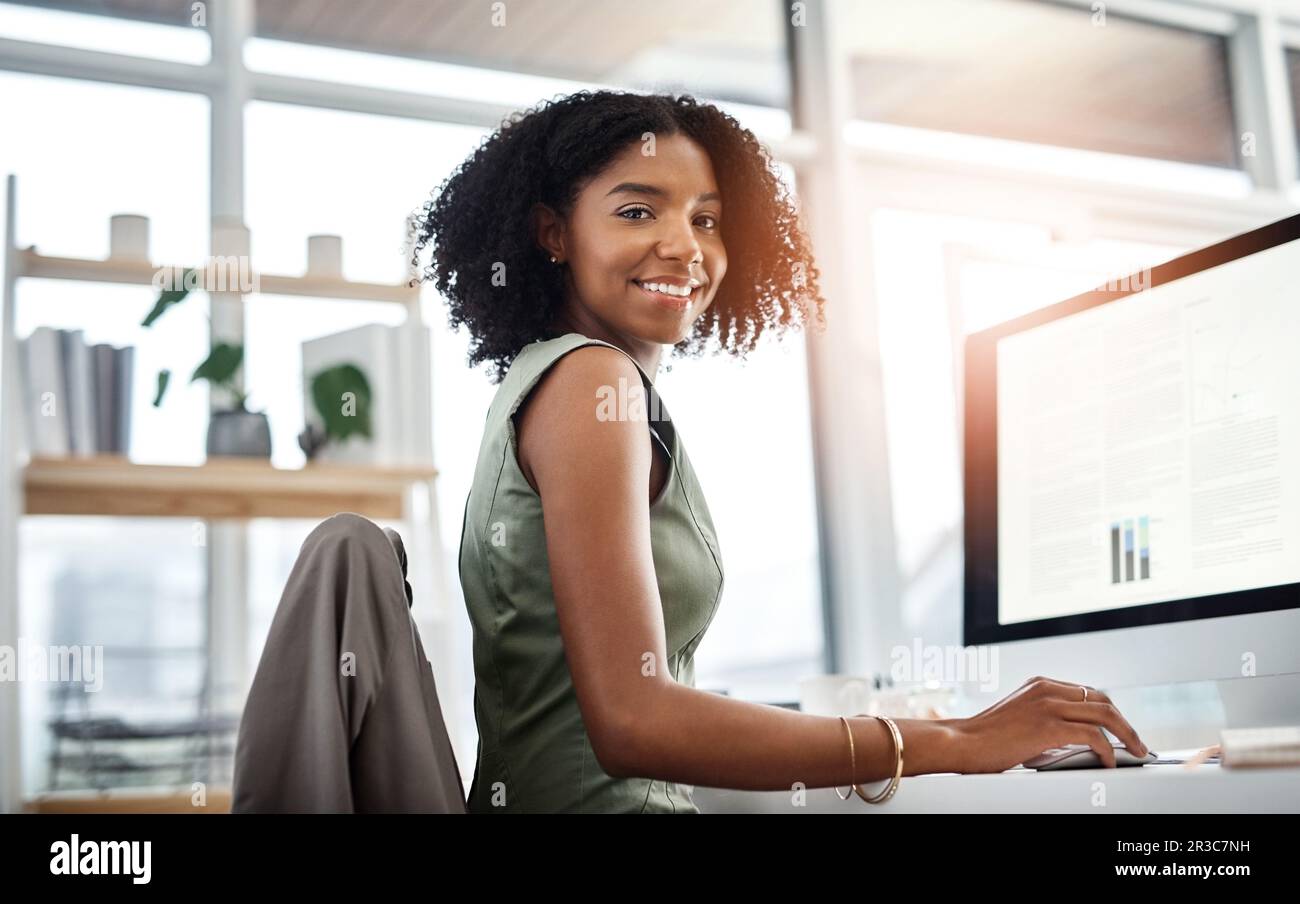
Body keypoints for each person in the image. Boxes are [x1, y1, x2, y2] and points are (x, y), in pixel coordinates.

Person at [406, 90, 1149, 813]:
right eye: (637, 211)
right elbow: (633, 722)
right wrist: (955, 737)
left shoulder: (549, 382)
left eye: (707, 219)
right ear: (553, 233)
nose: (683, 246)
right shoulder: (591, 383)